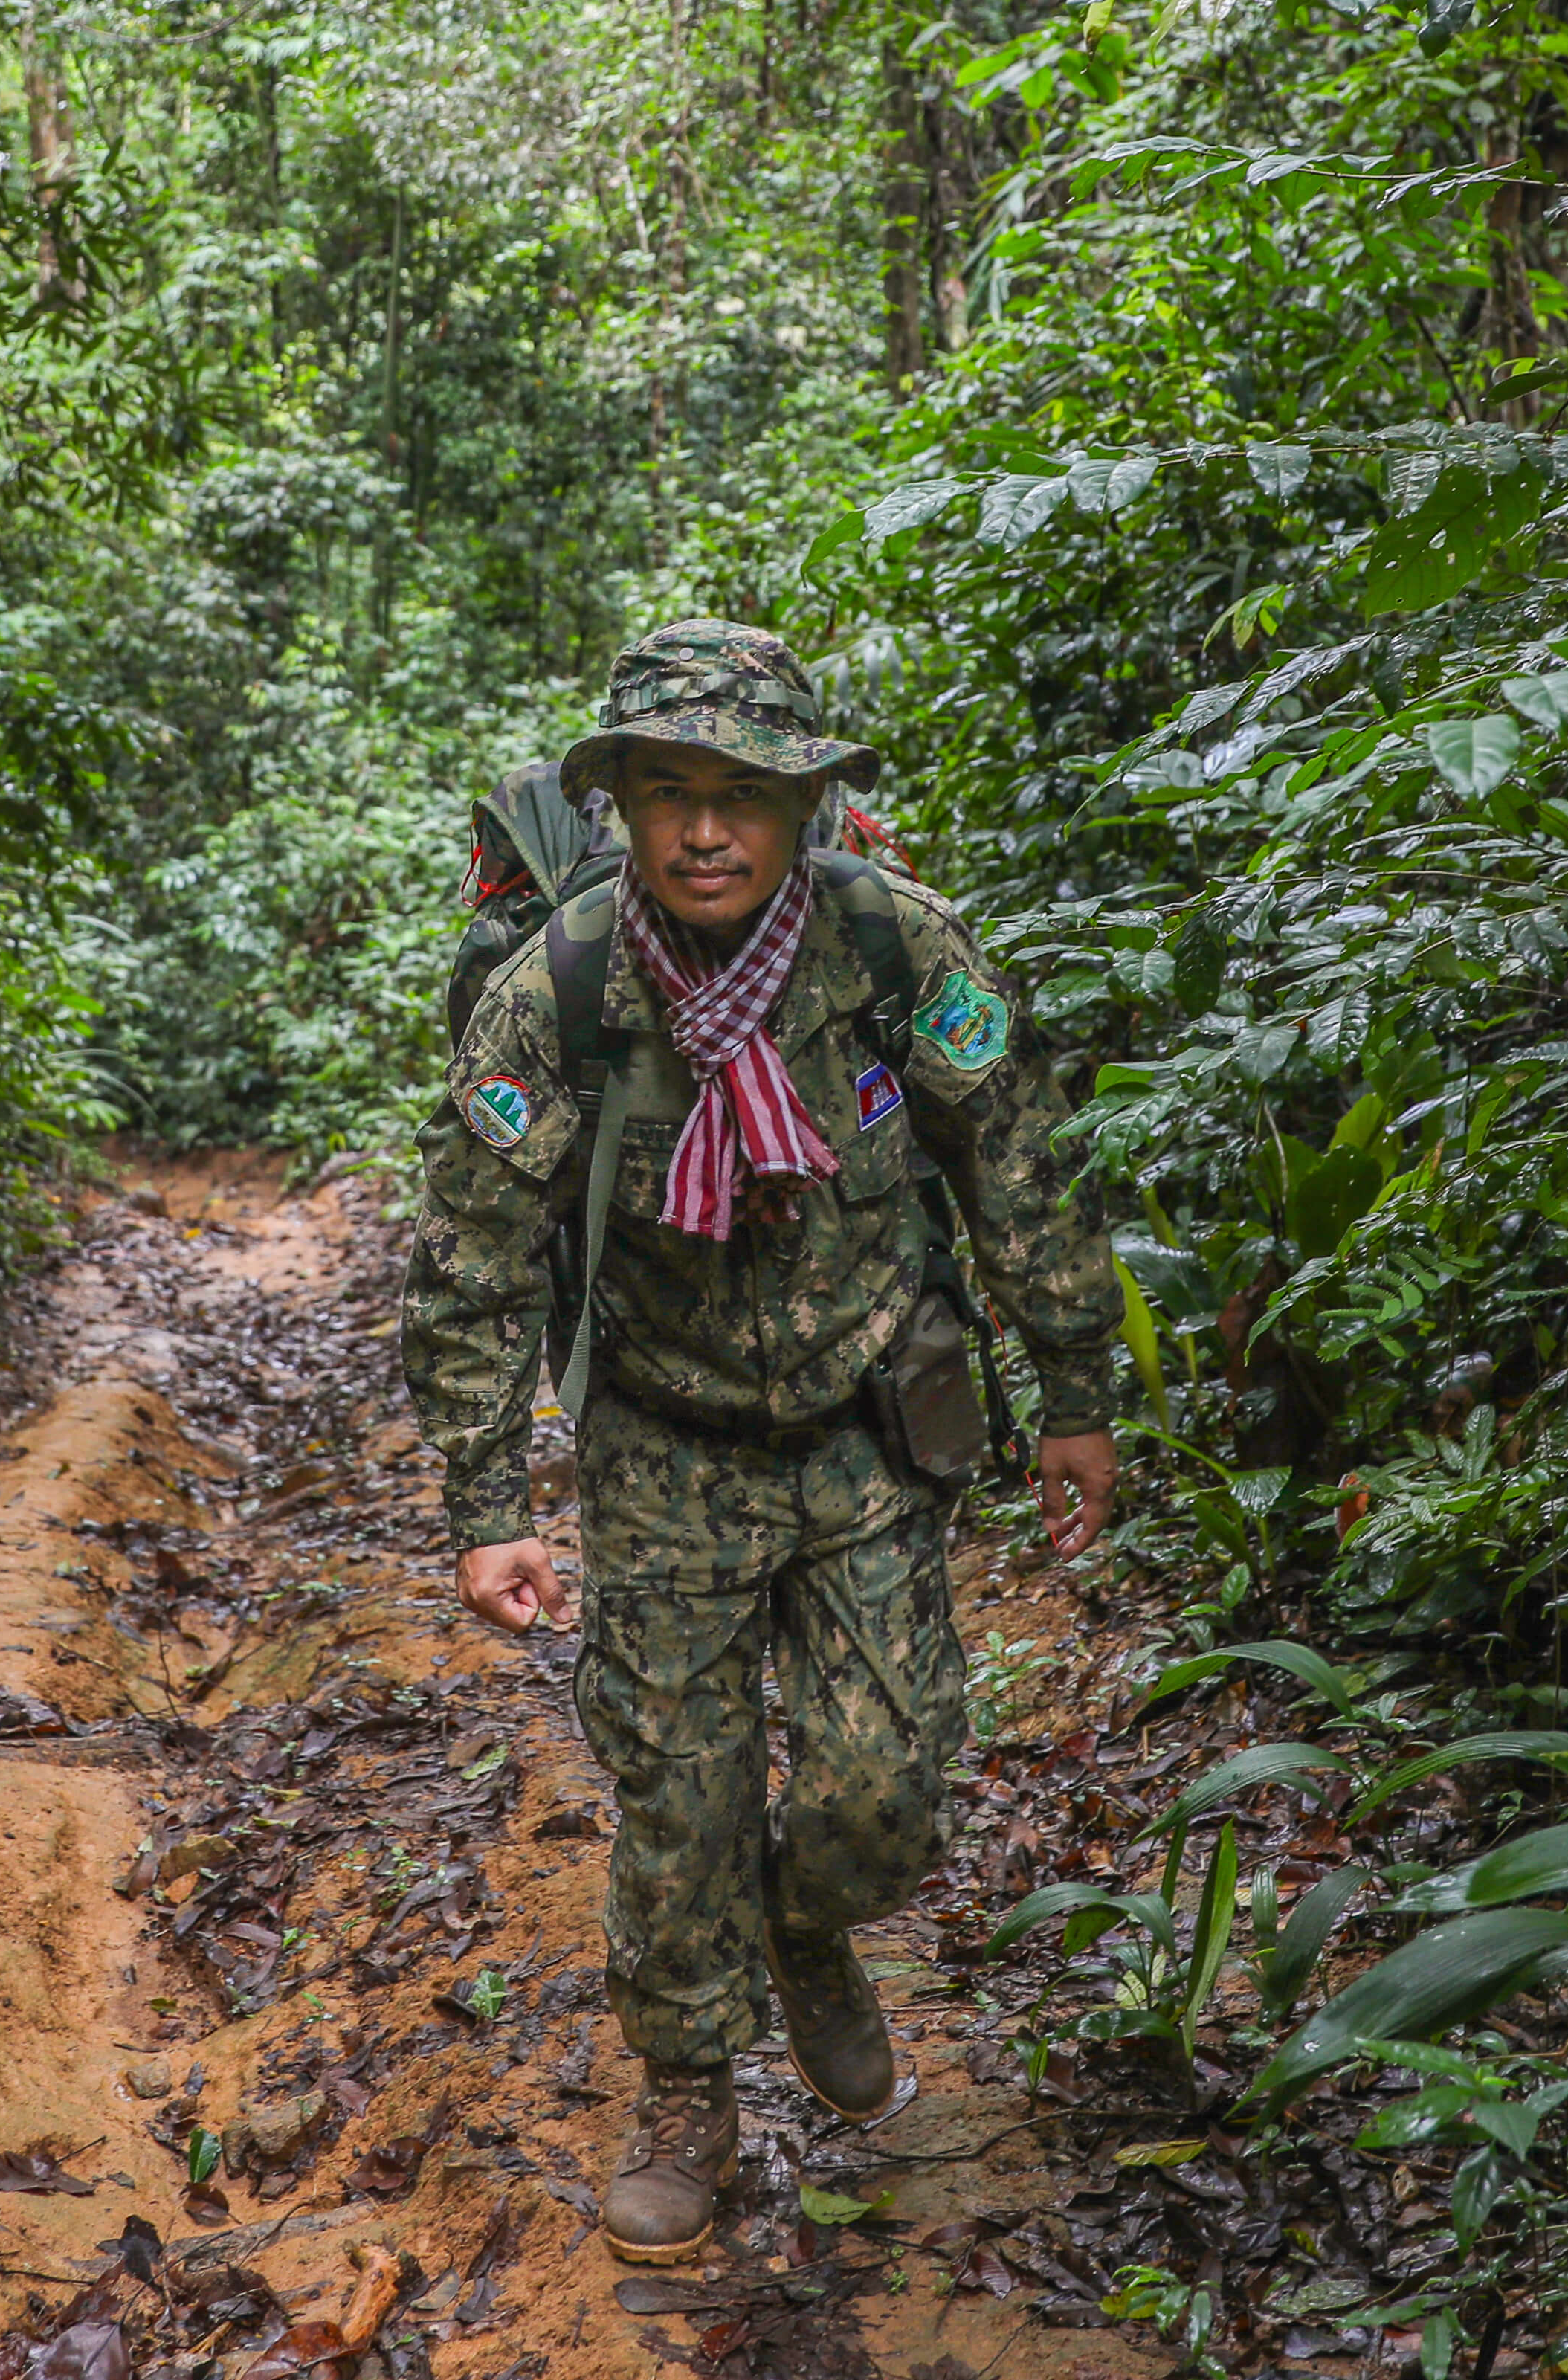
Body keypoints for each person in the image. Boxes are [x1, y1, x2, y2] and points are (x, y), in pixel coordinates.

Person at [396, 618, 1125, 2265]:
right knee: (683, 1800)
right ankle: (688, 2091)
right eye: (668, 791)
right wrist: (486, 1499)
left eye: (744, 791)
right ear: (626, 807)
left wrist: (1075, 1390)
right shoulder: (562, 994)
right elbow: (471, 1259)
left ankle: (811, 1934)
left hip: (872, 1433)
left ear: (806, 804)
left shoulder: (894, 952)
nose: (705, 829)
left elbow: (1016, 1164)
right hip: (662, 1446)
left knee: (883, 1790)